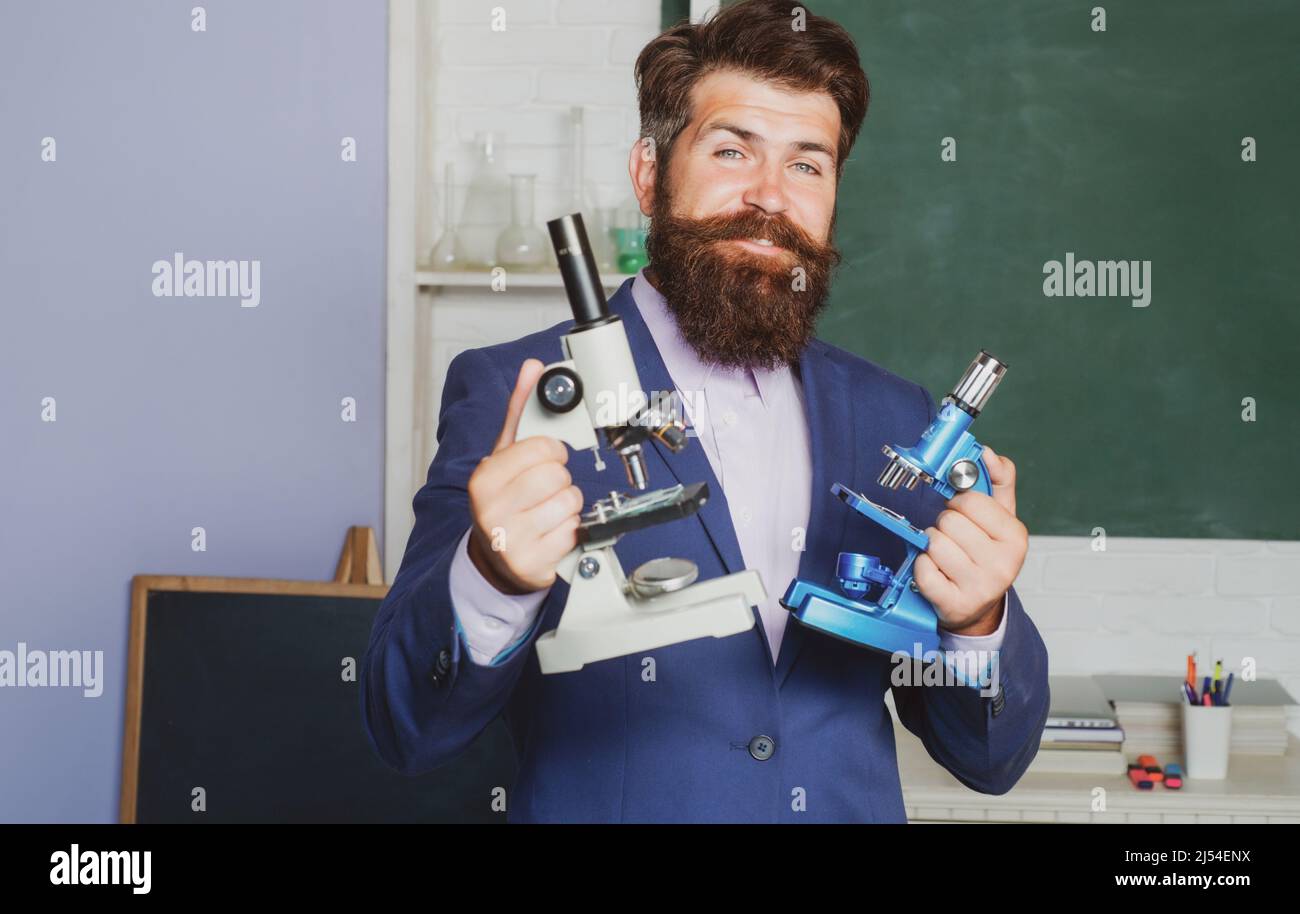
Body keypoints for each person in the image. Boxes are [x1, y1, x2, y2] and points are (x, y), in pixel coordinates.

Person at [361, 0, 1049, 823]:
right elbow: (404, 725)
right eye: (731, 150)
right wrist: (494, 577)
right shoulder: (519, 389)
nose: (769, 197)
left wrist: (976, 622)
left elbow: (990, 758)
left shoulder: (892, 416)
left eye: (808, 164)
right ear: (650, 173)